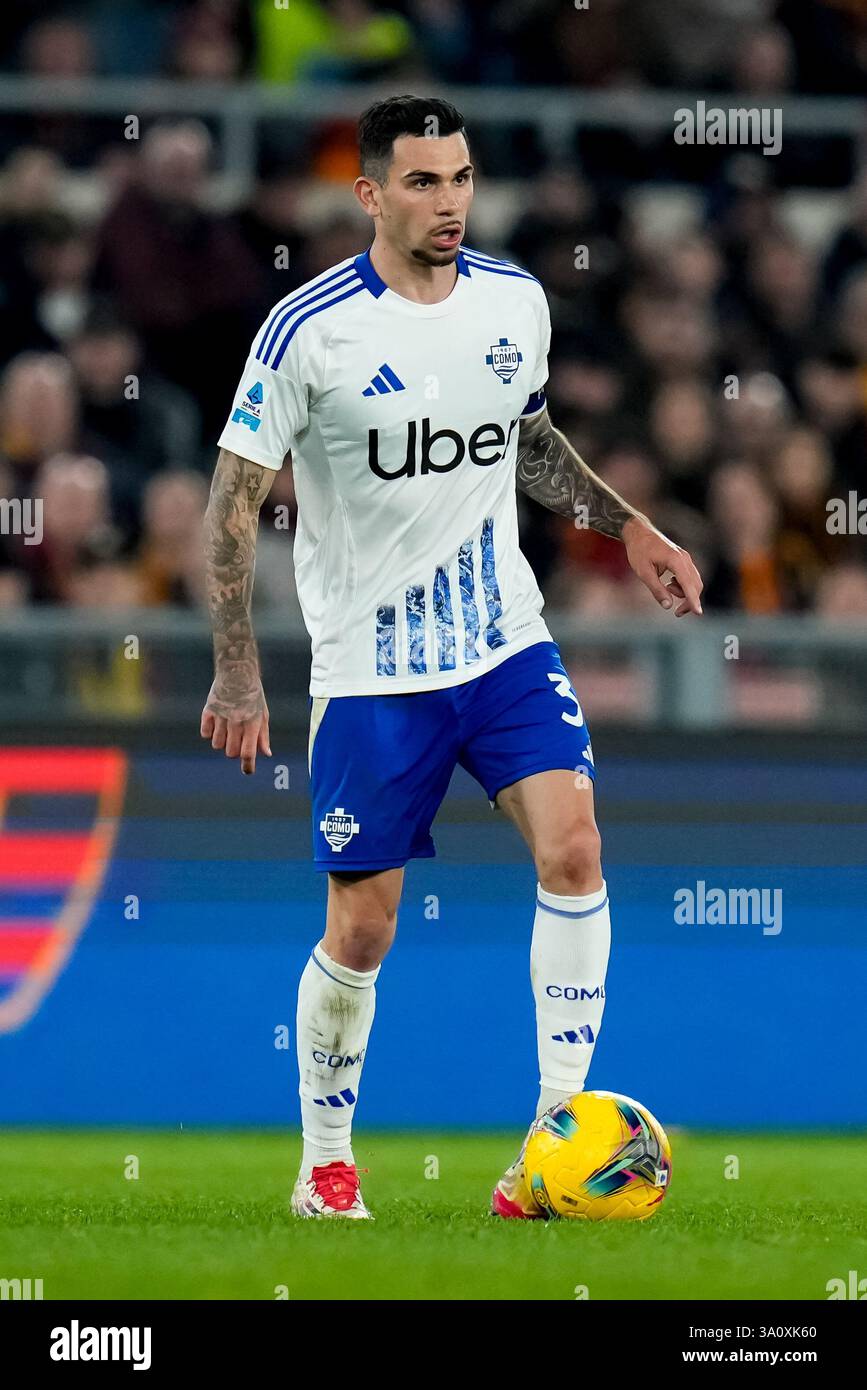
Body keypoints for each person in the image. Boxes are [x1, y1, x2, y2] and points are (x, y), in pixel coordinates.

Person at [200, 95, 703, 1220]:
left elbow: (527, 439)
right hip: (373, 670)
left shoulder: (515, 301)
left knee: (575, 851)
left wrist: (628, 525)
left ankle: (548, 1146)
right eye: (423, 182)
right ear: (370, 193)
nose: (450, 202)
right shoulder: (307, 330)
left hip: (502, 641)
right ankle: (326, 1162)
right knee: (363, 926)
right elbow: (231, 504)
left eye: (462, 178)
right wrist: (237, 668)